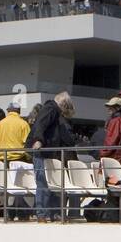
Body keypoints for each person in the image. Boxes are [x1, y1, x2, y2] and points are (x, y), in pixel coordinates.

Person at [26, 91, 76, 221]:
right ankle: (43, 214)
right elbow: (40, 124)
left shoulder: (52, 110)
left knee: (49, 182)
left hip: (46, 151)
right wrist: (38, 139)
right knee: (44, 181)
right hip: (42, 150)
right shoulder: (51, 108)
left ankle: (50, 213)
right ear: (64, 104)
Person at [0, 101, 32, 220]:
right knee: (20, 186)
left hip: (4, 159)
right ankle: (21, 212)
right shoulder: (23, 124)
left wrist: (0, 155)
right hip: (20, 158)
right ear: (19, 111)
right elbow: (27, 143)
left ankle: (9, 211)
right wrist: (28, 157)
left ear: (8, 111)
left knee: (7, 187)